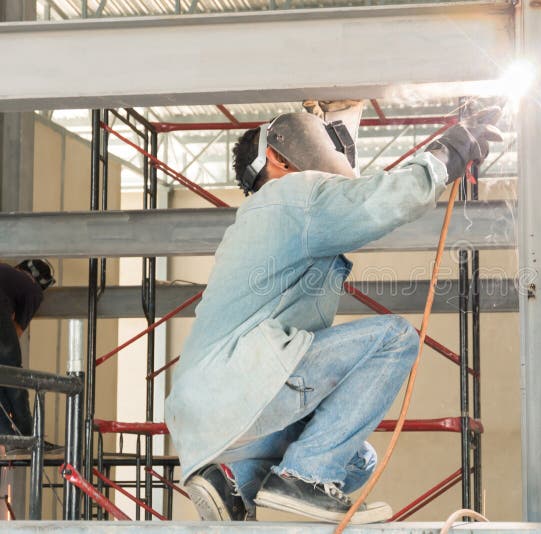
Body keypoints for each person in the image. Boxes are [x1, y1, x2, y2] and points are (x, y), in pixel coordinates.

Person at [165, 108, 502, 523]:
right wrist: (447, 153)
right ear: (278, 156)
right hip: (244, 381)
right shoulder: (294, 196)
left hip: (207, 411)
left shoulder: (261, 217)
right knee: (394, 338)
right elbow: (383, 199)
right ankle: (305, 476)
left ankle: (235, 481)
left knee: (358, 460)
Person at [0, 259, 55, 449]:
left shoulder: (6, 270)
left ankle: (8, 437)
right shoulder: (33, 291)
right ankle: (28, 436)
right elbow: (15, 333)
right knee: (14, 377)